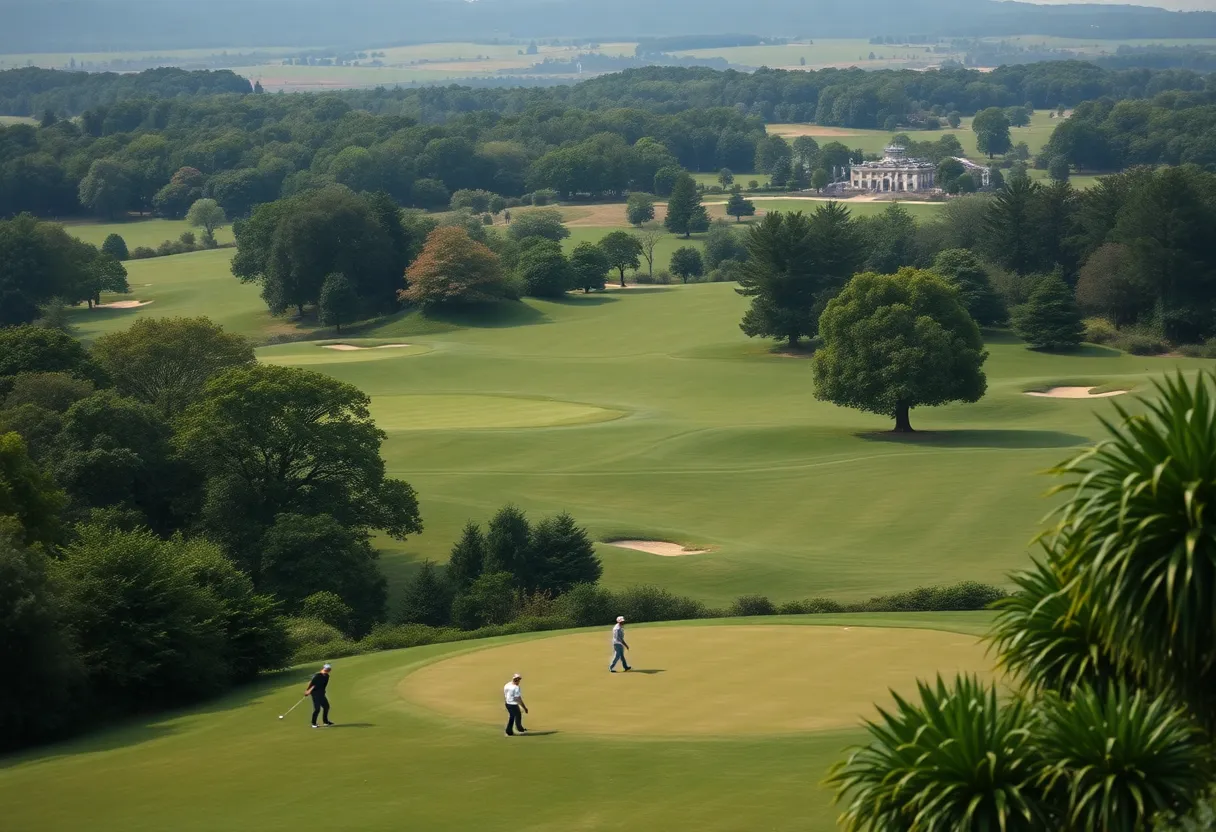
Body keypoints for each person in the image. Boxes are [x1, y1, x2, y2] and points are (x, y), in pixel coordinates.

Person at [304, 663, 334, 728]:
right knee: (317, 709)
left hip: (321, 693)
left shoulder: (327, 676)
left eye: (328, 669)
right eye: (326, 669)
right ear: (324, 668)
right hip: (315, 694)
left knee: (326, 706)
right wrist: (308, 691)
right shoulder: (318, 676)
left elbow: (323, 685)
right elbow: (312, 684)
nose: (327, 670)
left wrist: (323, 690)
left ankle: (326, 722)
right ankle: (313, 723)